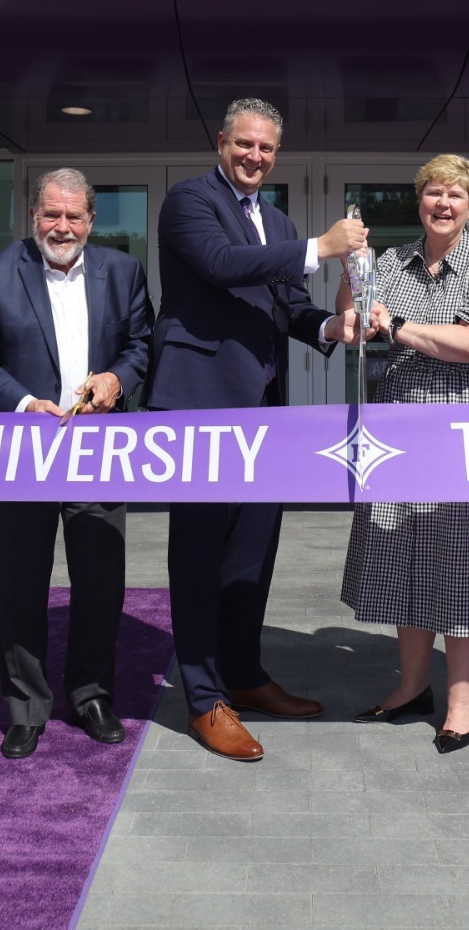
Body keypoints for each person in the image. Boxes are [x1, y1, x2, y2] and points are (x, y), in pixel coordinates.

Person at [146, 97, 364, 762]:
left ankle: (244, 673)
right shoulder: (189, 201)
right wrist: (321, 247)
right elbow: (219, 264)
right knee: (200, 554)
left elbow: (292, 309)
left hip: (263, 410)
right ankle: (204, 696)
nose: (255, 157)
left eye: (266, 148)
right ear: (221, 141)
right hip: (202, 405)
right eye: (245, 144)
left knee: (249, 555)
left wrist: (335, 326)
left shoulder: (276, 218)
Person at [0, 169, 153, 760]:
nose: (61, 226)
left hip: (97, 450)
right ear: (32, 215)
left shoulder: (123, 272)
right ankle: (25, 707)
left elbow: (143, 343)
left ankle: (92, 695)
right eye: (51, 214)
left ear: (91, 220)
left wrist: (118, 379)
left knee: (100, 581)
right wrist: (23, 404)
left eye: (73, 216)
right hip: (22, 450)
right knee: (19, 582)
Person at [340, 155, 469, 755]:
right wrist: (352, 276)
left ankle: (462, 695)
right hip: (399, 423)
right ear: (418, 201)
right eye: (432, 194)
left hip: (468, 424)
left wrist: (398, 327)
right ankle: (413, 685)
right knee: (404, 550)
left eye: (455, 195)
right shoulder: (390, 262)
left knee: (464, 554)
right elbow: (355, 323)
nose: (443, 204)